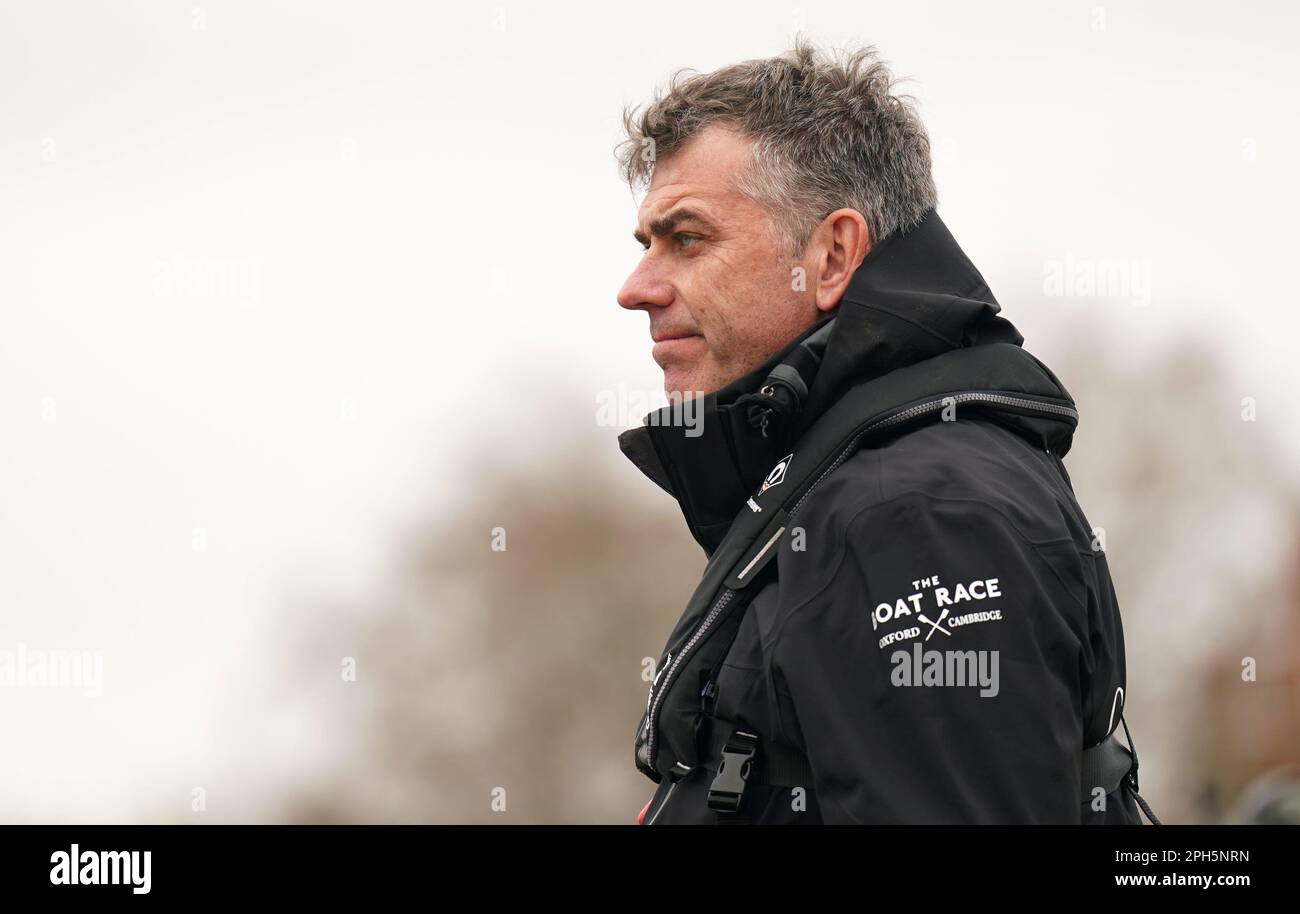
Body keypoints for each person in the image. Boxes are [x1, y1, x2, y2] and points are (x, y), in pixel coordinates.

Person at [615, 39, 1156, 824]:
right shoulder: (869, 483)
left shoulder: (916, 510)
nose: (637, 289)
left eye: (687, 238)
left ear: (833, 254)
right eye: (646, 245)